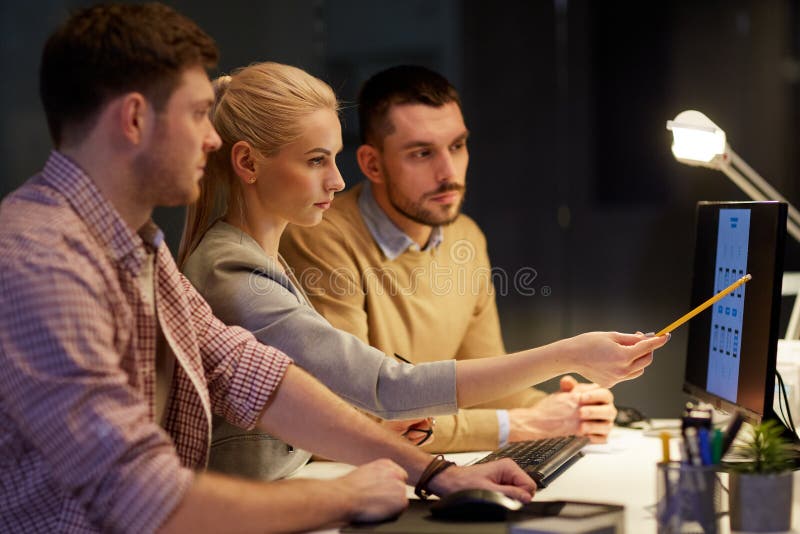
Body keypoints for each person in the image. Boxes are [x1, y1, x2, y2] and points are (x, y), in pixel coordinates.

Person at [0, 6, 544, 532]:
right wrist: (346, 496)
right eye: (196, 114)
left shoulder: (138, 248)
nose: (212, 138)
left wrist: (436, 473)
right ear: (135, 119)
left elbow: (251, 375)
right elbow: (138, 494)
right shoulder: (43, 262)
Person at [178, 59, 669, 480]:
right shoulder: (239, 268)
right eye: (315, 161)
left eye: (457, 146)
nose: (335, 178)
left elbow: (319, 413)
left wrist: (557, 409)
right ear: (247, 162)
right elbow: (383, 388)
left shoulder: (266, 256)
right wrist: (567, 357)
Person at [280, 65, 630, 453]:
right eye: (422, 153)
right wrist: (521, 424)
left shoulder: (465, 236)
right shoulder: (319, 238)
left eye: (457, 146)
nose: (448, 173)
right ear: (372, 164)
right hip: (347, 473)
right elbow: (355, 414)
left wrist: (565, 408)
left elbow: (488, 386)